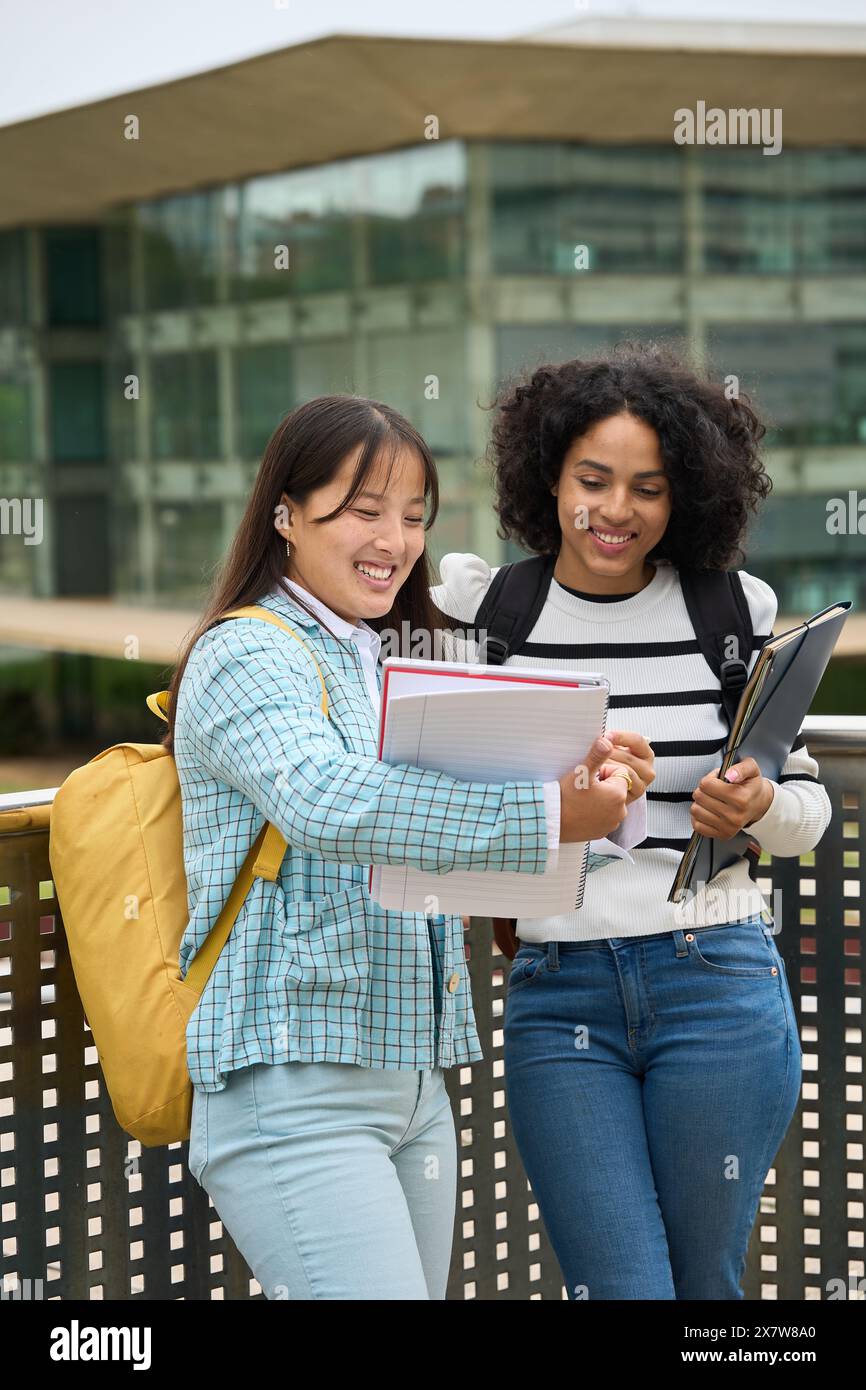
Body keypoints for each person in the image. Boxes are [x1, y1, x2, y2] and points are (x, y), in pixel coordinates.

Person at [162, 393, 648, 1300]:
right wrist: (545, 814)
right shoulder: (247, 653)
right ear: (286, 514)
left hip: (413, 1082)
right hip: (294, 1082)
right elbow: (327, 802)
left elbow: (448, 821)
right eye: (363, 509)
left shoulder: (381, 657)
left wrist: (598, 799)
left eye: (415, 516)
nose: (394, 538)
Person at [432, 341, 831, 1300]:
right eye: (593, 480)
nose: (617, 511)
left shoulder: (731, 611)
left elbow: (808, 812)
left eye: (647, 488)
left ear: (685, 494)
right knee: (622, 1287)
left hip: (719, 985)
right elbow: (443, 813)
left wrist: (759, 803)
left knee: (704, 1290)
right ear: (549, 477)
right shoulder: (489, 615)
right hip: (558, 992)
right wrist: (566, 805)